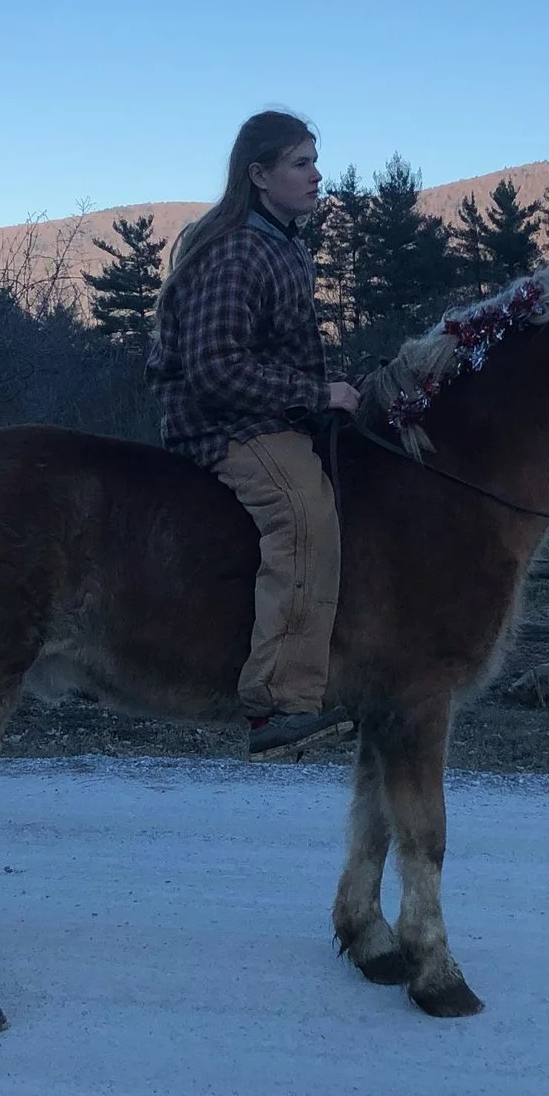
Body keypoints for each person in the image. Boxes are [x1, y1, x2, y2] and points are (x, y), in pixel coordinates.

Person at [147, 111, 359, 760]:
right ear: (260, 175)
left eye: (314, 160)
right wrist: (316, 395)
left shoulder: (280, 244)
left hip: (263, 416)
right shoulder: (240, 248)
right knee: (304, 516)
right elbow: (216, 368)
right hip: (223, 425)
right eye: (301, 162)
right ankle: (277, 704)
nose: (317, 174)